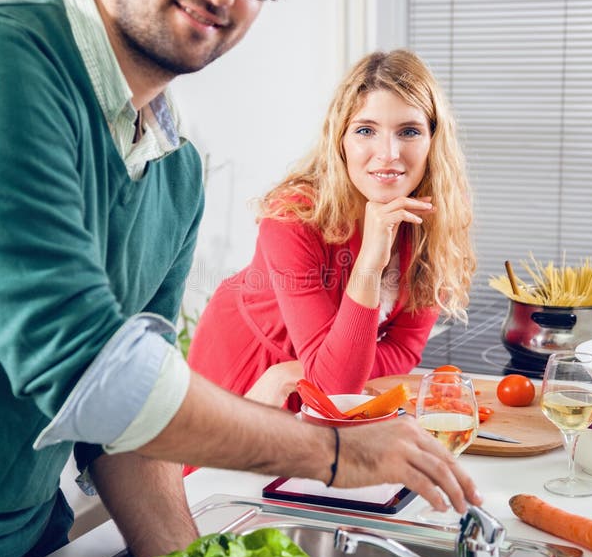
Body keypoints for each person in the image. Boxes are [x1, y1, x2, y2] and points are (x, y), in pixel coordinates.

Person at [0, 0, 481, 557]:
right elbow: (90, 368)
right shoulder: (15, 71)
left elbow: (122, 433)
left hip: (30, 547)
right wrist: (334, 452)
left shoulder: (177, 171)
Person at [188, 49, 475, 400]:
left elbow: (403, 350)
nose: (388, 153)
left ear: (433, 140)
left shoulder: (438, 216)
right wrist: (370, 263)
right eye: (366, 130)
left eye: (409, 131)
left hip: (309, 378)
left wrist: (300, 372)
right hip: (250, 373)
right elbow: (334, 383)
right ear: (340, 141)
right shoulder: (293, 218)